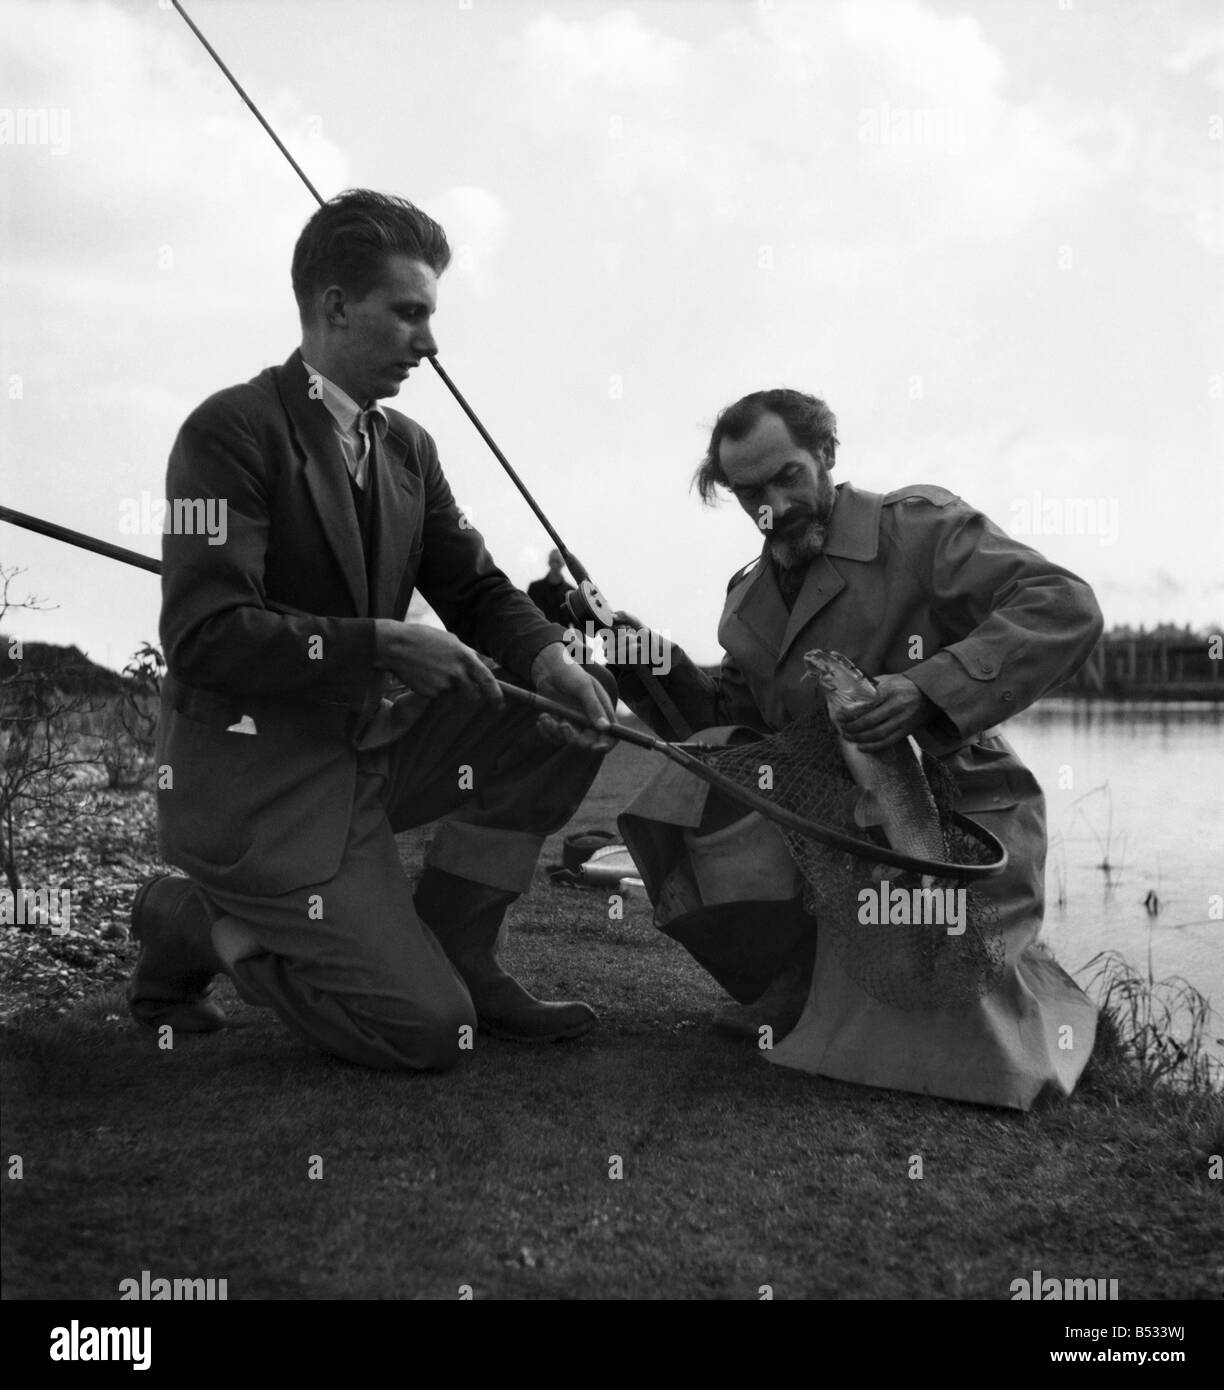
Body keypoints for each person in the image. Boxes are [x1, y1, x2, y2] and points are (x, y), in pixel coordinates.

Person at [127, 189, 616, 1072]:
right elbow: (203, 636)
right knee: (427, 1032)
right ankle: (191, 919)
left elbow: (472, 586)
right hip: (256, 785)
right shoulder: (225, 430)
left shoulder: (407, 448)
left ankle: (461, 950)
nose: (429, 343)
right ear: (335, 306)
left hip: (365, 749)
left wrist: (548, 657)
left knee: (565, 720)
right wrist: (384, 645)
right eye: (409, 314)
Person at [608, 389, 1104, 1110]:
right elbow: (738, 730)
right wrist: (647, 661)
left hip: (960, 811)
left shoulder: (921, 529)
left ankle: (981, 985)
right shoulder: (744, 601)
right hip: (835, 828)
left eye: (786, 477)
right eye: (749, 493)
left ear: (826, 454)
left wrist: (927, 689)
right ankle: (793, 983)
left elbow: (1064, 604)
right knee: (685, 790)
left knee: (948, 1034)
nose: (772, 504)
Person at [527, 549, 573, 622]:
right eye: (552, 561)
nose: (555, 564)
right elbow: (527, 614)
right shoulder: (534, 588)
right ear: (549, 562)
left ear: (563, 564)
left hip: (561, 633)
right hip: (539, 631)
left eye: (557, 561)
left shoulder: (571, 593)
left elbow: (585, 620)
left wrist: (591, 632)